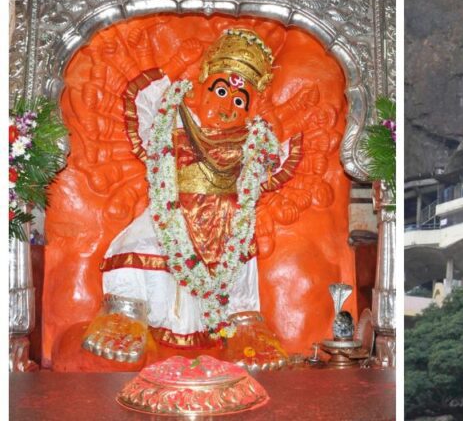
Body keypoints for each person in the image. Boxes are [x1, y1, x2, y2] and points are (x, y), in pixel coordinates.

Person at [81, 29, 301, 366]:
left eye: (239, 101)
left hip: (227, 222)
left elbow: (267, 174)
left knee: (240, 257)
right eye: (222, 90)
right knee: (138, 248)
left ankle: (244, 326)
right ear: (202, 83)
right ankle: (124, 315)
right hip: (170, 215)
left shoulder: (254, 137)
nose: (228, 106)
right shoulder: (174, 113)